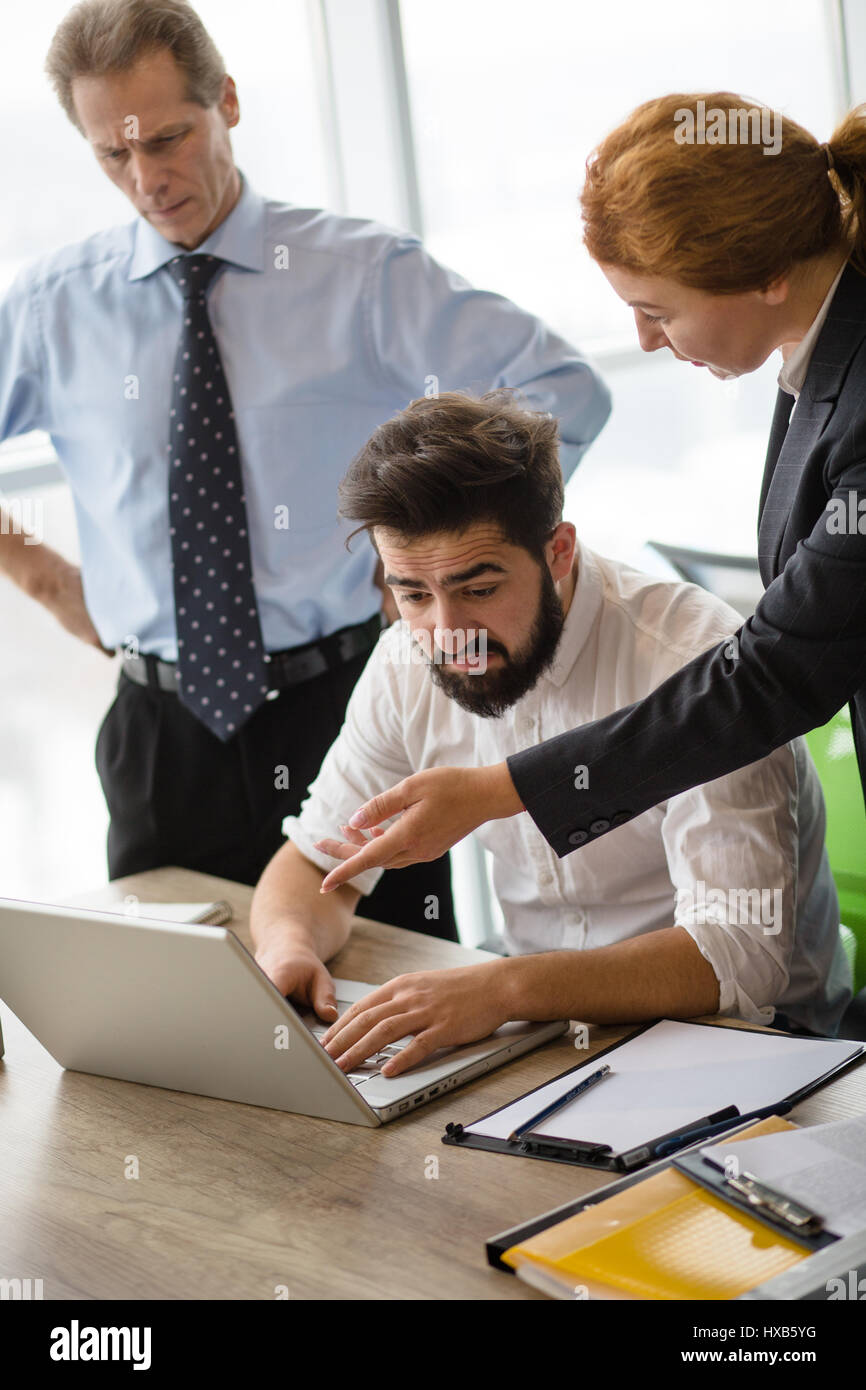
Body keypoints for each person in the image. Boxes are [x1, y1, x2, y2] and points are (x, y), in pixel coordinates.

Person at [0, 0, 610, 939]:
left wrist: (437, 554)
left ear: (228, 103)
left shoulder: (359, 275)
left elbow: (564, 389)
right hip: (161, 736)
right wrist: (39, 574)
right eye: (114, 156)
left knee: (398, 1009)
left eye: (171, 137)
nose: (150, 180)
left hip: (354, 709)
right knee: (180, 1030)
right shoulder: (53, 307)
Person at [315, 91, 866, 899]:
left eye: (656, 310)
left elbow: (774, 676)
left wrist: (499, 790)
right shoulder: (816, 360)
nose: (644, 339)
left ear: (769, 276)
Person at [250, 390, 850, 1074]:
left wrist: (507, 987)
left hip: (757, 1044)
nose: (448, 637)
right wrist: (287, 947)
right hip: (540, 1033)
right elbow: (314, 863)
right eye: (413, 594)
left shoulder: (699, 660)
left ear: (558, 552)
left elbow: (738, 956)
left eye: (478, 590)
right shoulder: (404, 660)